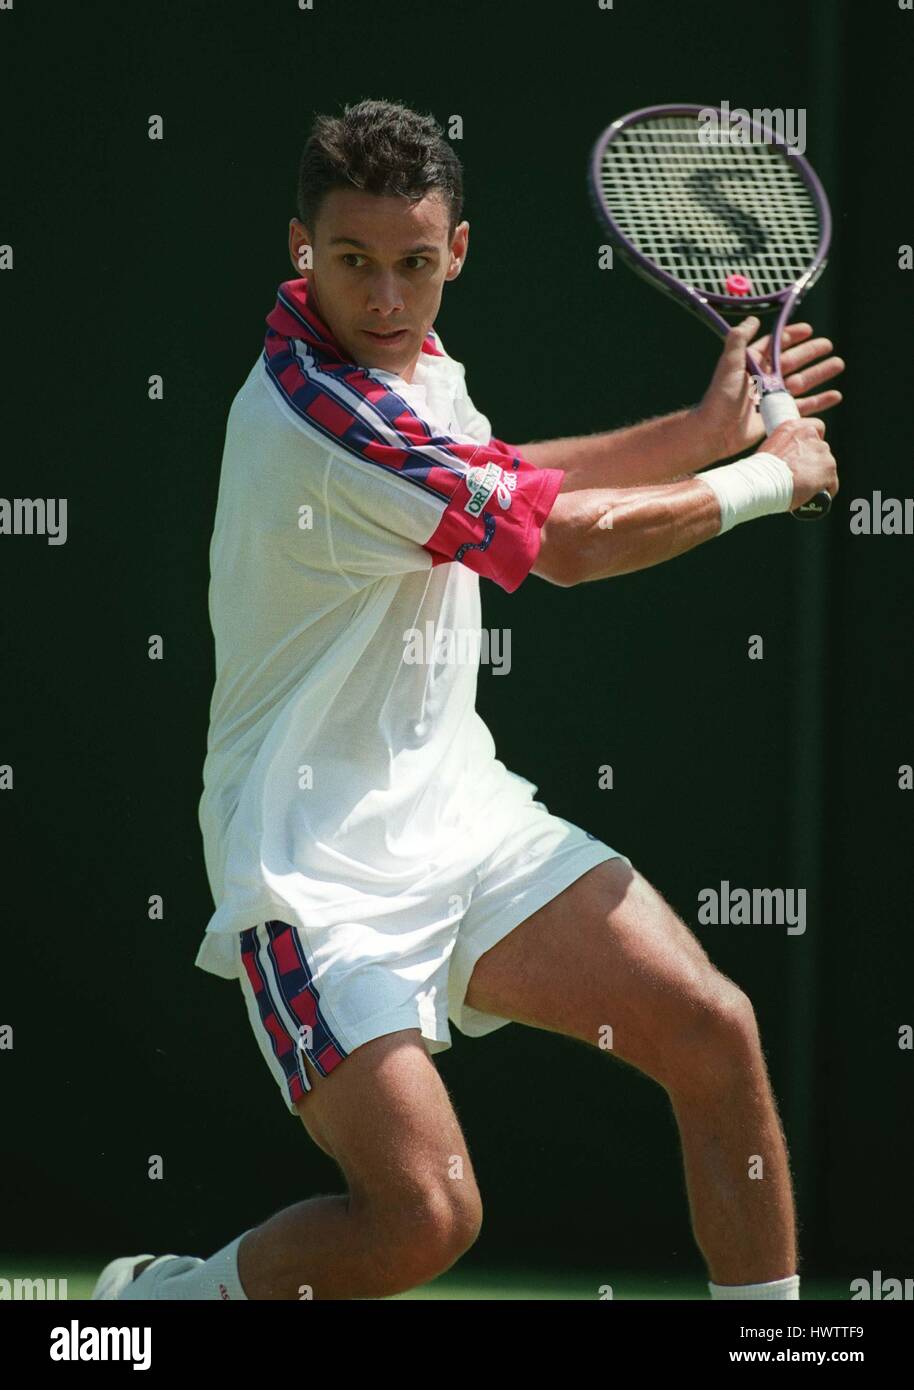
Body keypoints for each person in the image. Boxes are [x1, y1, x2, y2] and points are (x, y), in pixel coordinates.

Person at [93, 98, 842, 1302]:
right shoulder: (322, 416)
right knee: (424, 1217)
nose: (383, 299)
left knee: (712, 1032)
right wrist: (764, 476)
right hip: (312, 874)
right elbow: (564, 550)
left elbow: (509, 480)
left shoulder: (414, 371)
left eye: (410, 265)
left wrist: (701, 433)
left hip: (461, 819)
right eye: (350, 264)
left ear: (456, 254)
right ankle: (154, 1305)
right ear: (301, 251)